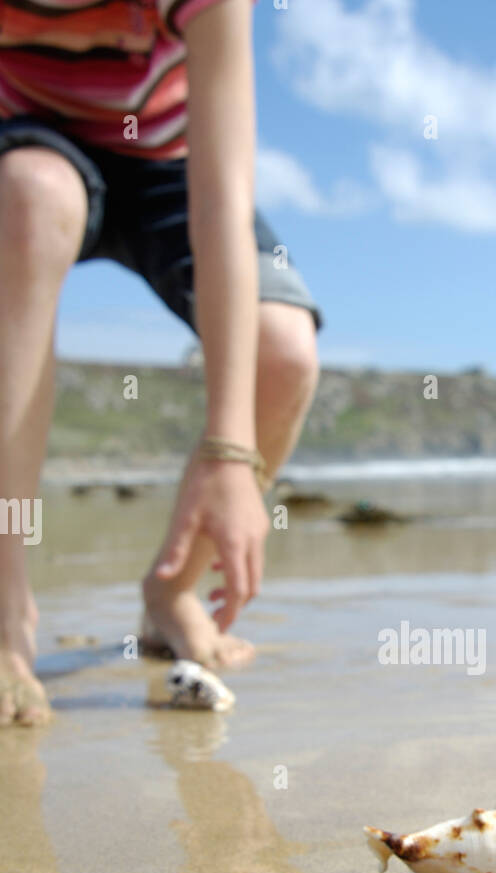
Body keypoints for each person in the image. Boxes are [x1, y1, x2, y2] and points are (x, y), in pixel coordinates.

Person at [0, 0, 322, 727]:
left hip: (171, 158)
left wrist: (229, 448)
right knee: (29, 196)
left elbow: (221, 206)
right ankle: (4, 599)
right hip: (22, 148)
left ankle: (173, 590)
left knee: (282, 352)